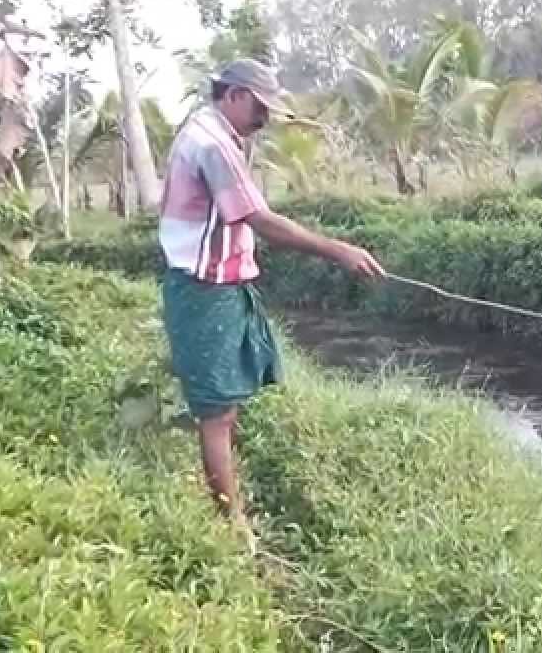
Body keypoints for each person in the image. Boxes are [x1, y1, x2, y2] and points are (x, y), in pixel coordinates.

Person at [158, 58, 385, 542]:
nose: (266, 118)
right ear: (234, 95)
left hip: (221, 285)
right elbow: (260, 220)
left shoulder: (216, 131)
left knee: (225, 403)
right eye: (260, 107)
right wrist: (338, 250)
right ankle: (233, 525)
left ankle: (230, 498)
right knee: (215, 413)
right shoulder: (214, 144)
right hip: (205, 290)